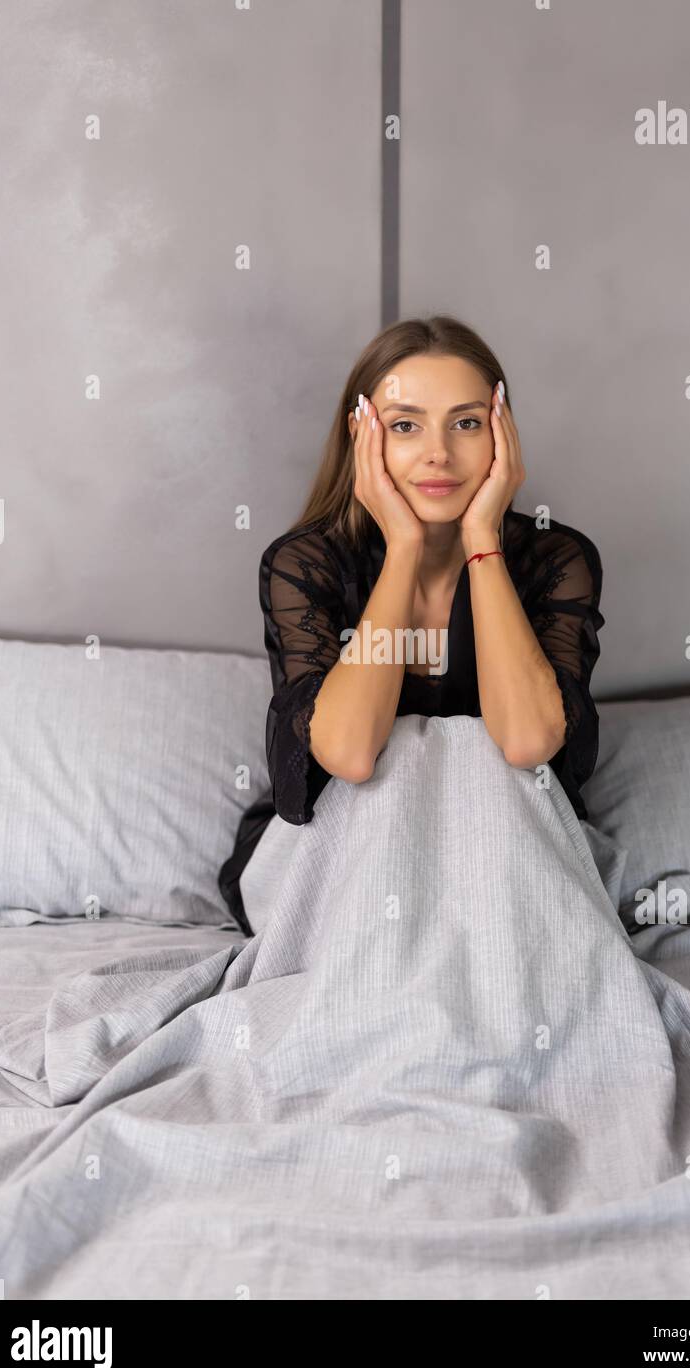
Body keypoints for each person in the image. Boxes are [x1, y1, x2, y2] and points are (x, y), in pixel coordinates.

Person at [219, 315, 604, 936]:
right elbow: (347, 754)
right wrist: (403, 547)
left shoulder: (556, 560)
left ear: (501, 436)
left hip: (492, 859)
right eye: (404, 426)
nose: (439, 454)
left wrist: (482, 540)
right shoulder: (305, 562)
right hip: (337, 860)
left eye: (467, 422)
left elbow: (528, 743)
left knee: (488, 767)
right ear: (362, 438)